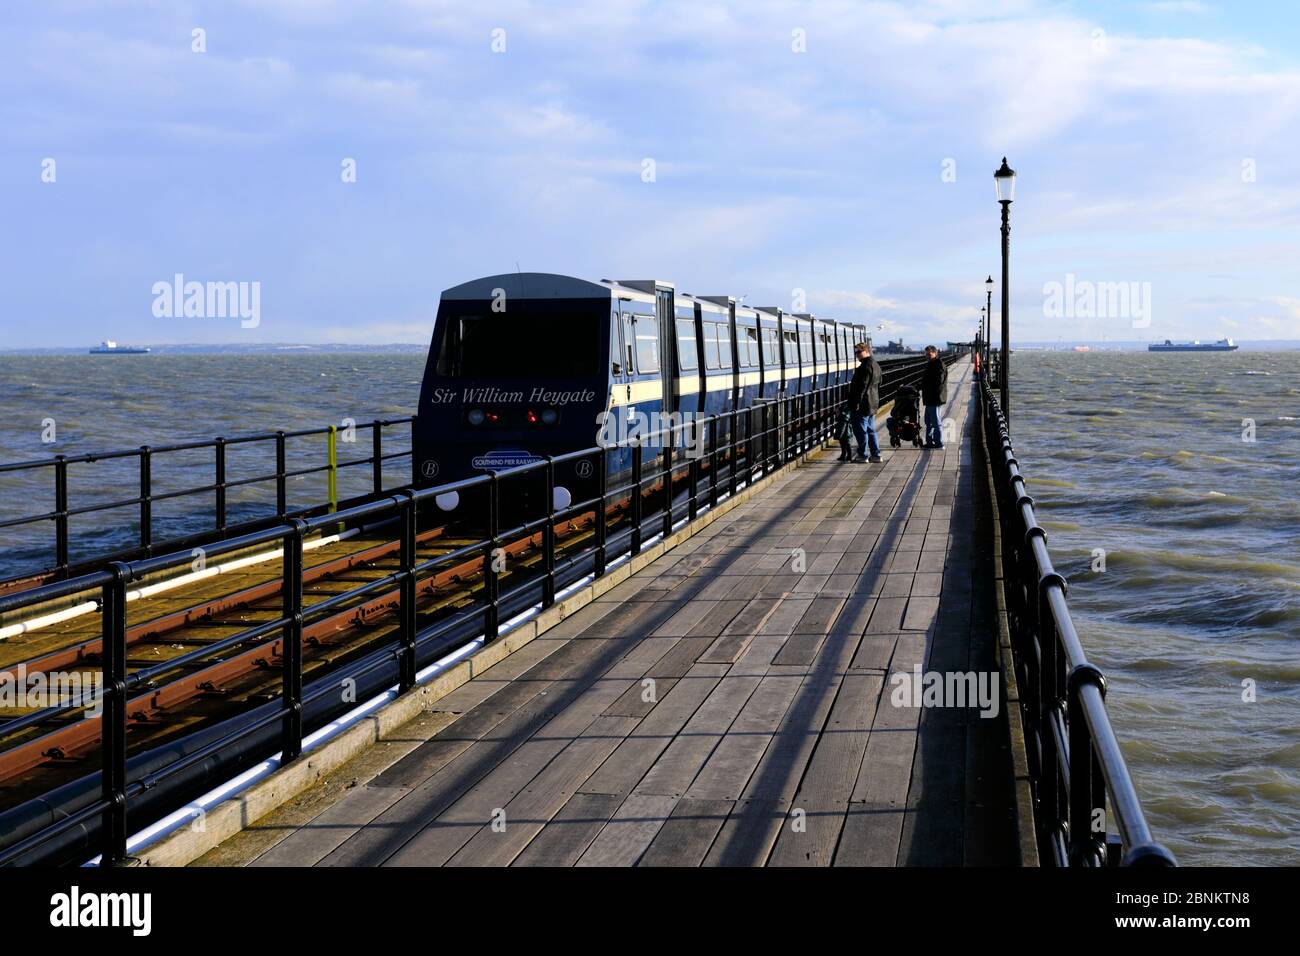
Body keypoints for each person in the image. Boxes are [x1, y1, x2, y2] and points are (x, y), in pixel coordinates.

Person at [846, 342, 883, 463]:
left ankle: (863, 455)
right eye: (856, 352)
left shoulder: (865, 367)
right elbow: (879, 383)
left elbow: (862, 387)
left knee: (861, 430)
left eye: (859, 352)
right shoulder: (876, 365)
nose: (857, 355)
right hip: (872, 402)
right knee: (870, 430)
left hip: (862, 404)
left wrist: (856, 402)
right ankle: (876, 455)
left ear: (867, 351)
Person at [920, 345, 948, 448]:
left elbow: (938, 382)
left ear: (935, 353)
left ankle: (939, 443)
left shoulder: (938, 364)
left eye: (929, 353)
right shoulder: (931, 363)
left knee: (935, 422)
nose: (927, 355)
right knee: (928, 421)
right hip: (930, 398)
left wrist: (926, 387)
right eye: (926, 353)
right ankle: (930, 442)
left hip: (934, 398)